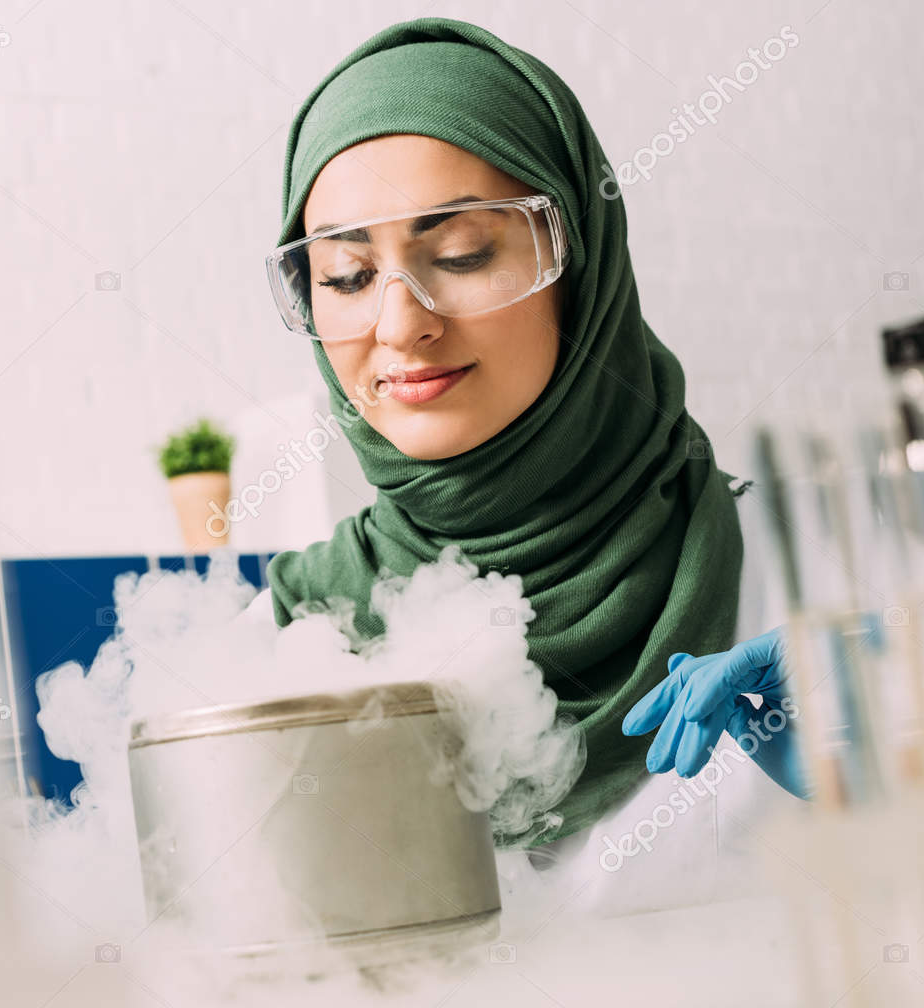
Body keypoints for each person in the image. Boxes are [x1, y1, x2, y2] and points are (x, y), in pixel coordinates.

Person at [239, 17, 804, 865]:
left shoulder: (809, 579)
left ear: (581, 264)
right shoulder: (283, 643)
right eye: (347, 277)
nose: (399, 324)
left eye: (462, 253)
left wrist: (905, 779)